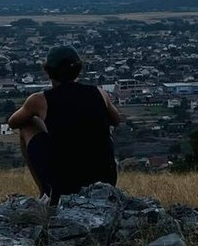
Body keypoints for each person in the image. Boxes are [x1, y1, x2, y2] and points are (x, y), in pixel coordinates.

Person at [7, 45, 120, 202]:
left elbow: (13, 122)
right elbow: (116, 120)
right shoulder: (99, 93)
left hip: (65, 185)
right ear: (79, 69)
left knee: (27, 125)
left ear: (47, 71)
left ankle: (45, 193)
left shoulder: (39, 100)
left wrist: (42, 115)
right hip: (105, 180)